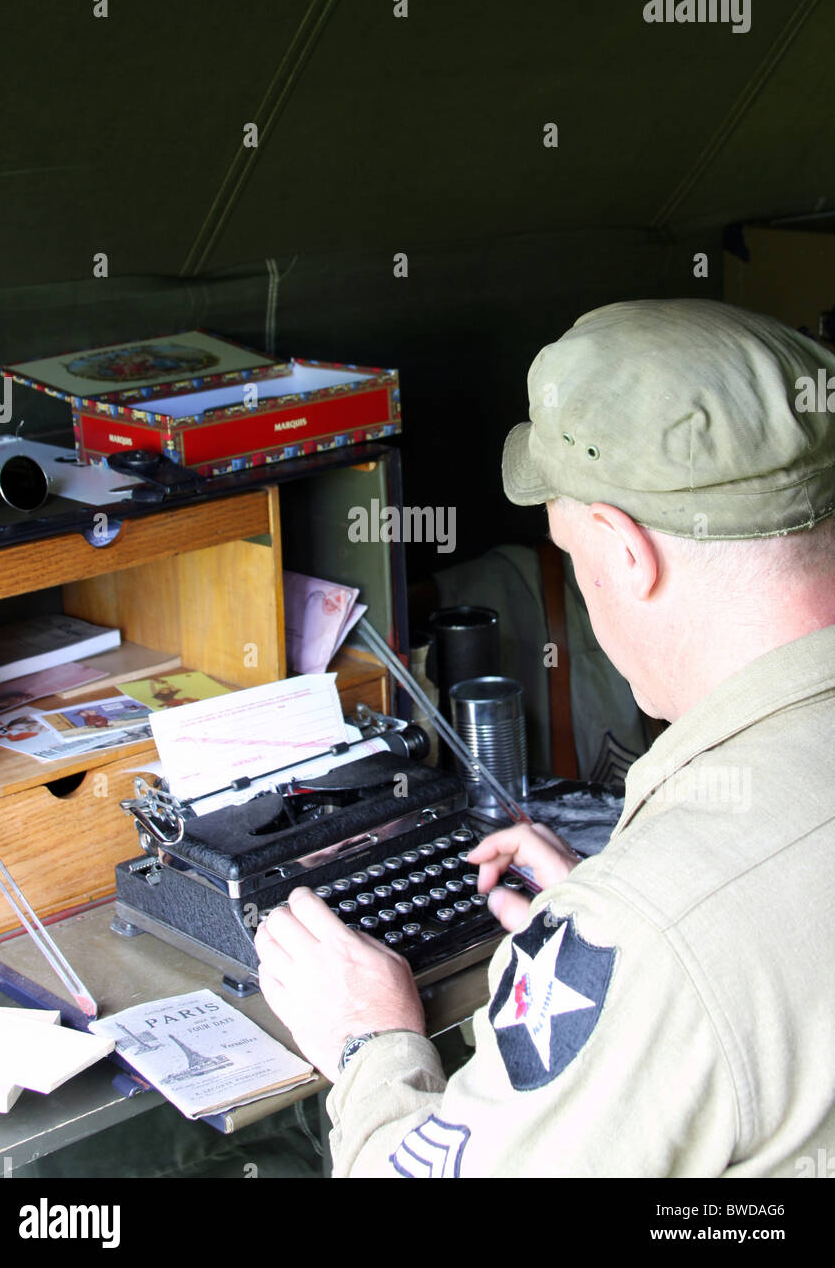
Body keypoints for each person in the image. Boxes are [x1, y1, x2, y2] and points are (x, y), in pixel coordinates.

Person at [254, 298, 835, 1178]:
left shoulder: (651, 936)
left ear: (623, 550)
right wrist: (614, 916)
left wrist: (367, 1042)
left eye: (570, 554)